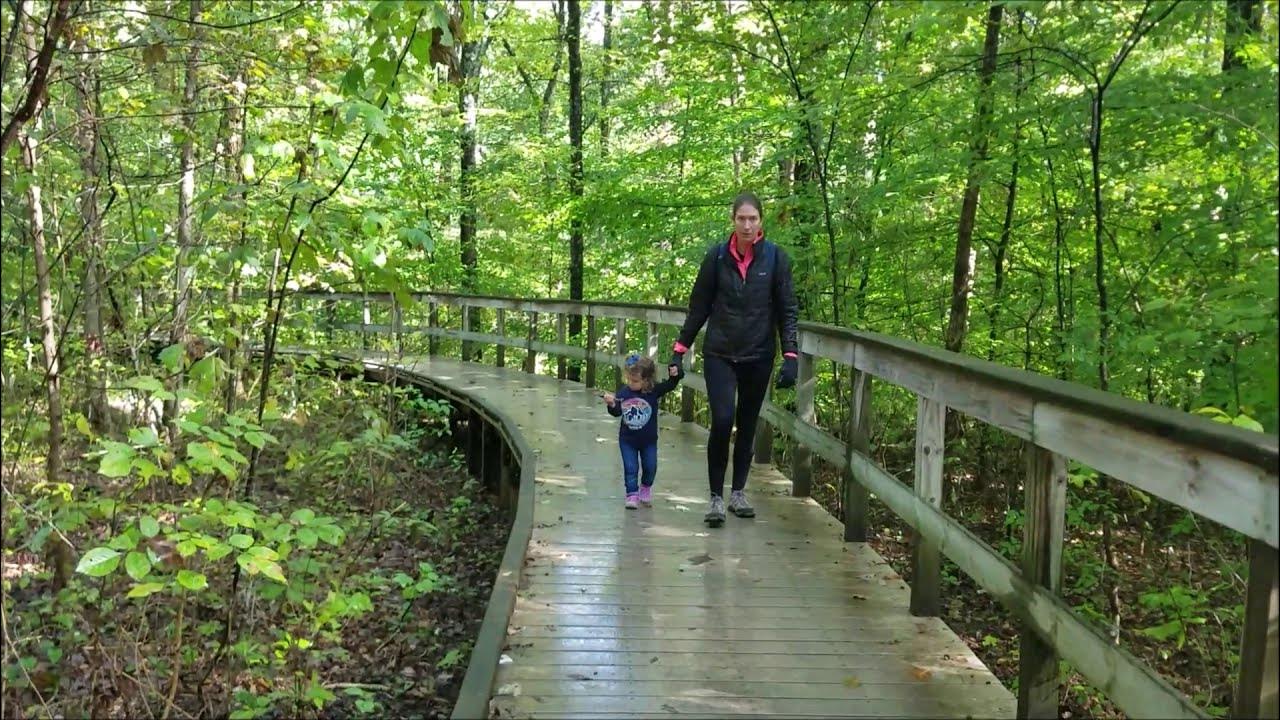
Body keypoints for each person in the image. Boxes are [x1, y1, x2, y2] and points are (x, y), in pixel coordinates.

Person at [669, 191, 799, 527]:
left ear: (761, 222)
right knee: (723, 420)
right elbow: (699, 306)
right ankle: (715, 497)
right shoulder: (716, 258)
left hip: (759, 354)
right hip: (720, 353)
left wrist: (791, 354)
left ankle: (738, 493)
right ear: (733, 221)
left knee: (748, 424)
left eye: (752, 218)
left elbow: (787, 309)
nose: (746, 225)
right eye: (741, 218)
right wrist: (679, 350)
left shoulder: (775, 258)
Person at [602, 354, 684, 509]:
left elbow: (670, 385)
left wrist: (676, 374)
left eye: (635, 381)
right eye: (629, 380)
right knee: (630, 467)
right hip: (628, 440)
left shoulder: (653, 391)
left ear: (646, 380)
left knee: (650, 466)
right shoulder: (624, 393)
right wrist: (612, 404)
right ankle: (631, 494)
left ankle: (646, 487)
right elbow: (617, 412)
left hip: (648, 440)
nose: (631, 384)